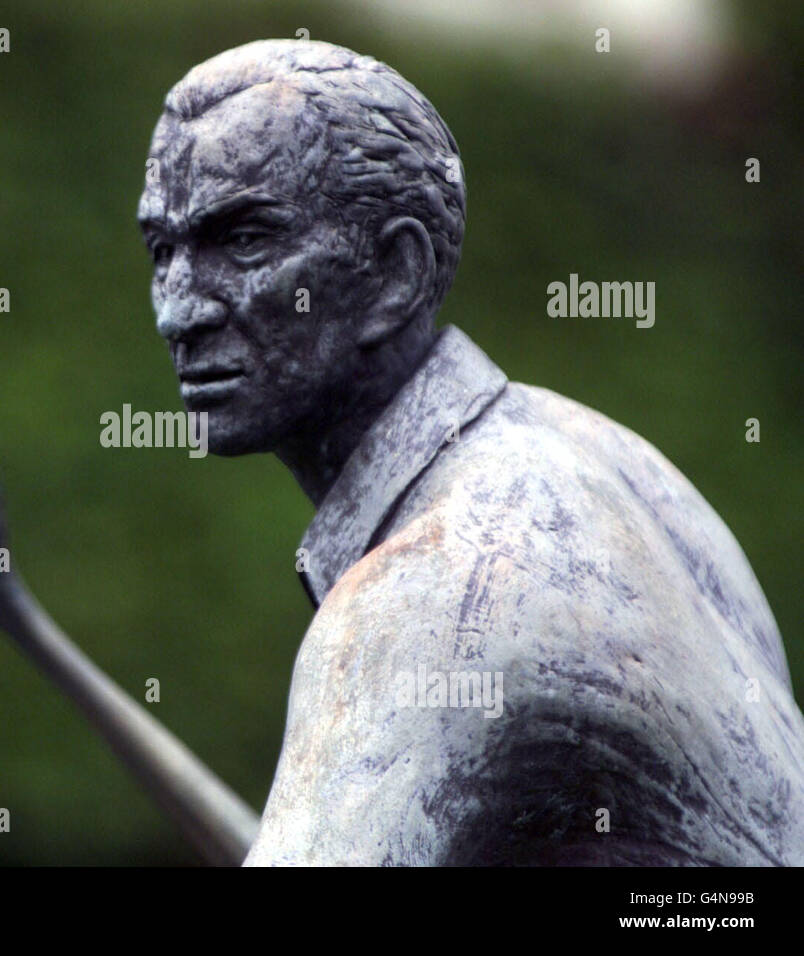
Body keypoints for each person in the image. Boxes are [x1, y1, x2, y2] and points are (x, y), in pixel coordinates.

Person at [138, 38, 804, 865]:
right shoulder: (606, 459)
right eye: (162, 252)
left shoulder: (430, 595)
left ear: (395, 275)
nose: (178, 312)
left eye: (242, 242)